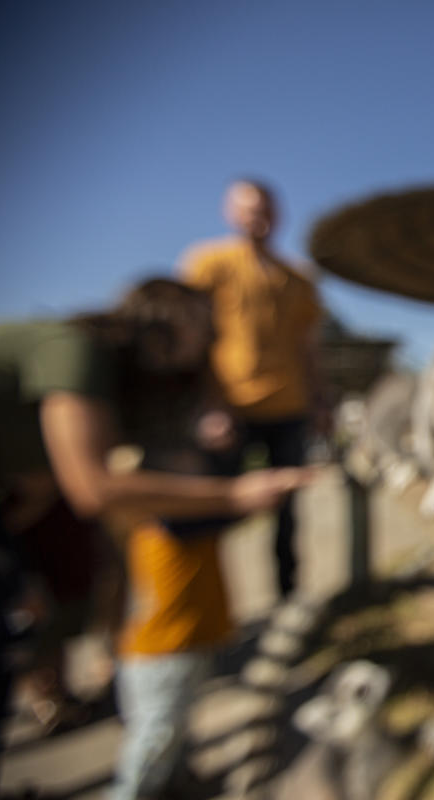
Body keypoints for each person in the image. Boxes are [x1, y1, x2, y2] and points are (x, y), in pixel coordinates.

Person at [0, 277, 309, 800]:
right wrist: (233, 495)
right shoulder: (72, 350)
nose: (212, 340)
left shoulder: (116, 396)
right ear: (165, 317)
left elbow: (40, 485)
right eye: (204, 324)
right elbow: (93, 487)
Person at [180, 179, 325, 599]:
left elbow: (308, 346)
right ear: (230, 212)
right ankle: (212, 608)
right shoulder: (207, 263)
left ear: (277, 215)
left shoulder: (297, 278)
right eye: (247, 208)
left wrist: (322, 399)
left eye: (263, 208)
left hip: (289, 405)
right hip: (230, 405)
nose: (256, 217)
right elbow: (194, 335)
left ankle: (288, 597)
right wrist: (206, 404)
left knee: (288, 512)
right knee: (212, 506)